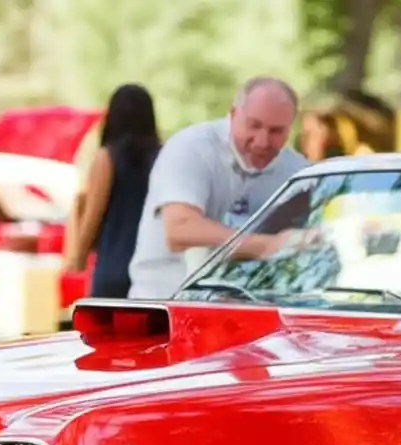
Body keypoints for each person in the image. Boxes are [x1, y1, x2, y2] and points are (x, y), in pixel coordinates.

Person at [126, 76, 310, 299]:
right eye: (254, 126)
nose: (262, 141)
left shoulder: (296, 172)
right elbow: (179, 229)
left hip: (246, 310)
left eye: (276, 131)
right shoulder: (192, 149)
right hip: (164, 306)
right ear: (233, 115)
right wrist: (266, 246)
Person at [63, 83, 161, 298]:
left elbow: (93, 213)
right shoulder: (162, 157)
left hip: (113, 264)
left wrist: (77, 257)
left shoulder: (107, 157)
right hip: (151, 268)